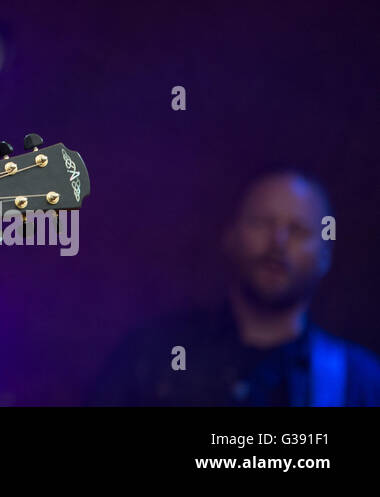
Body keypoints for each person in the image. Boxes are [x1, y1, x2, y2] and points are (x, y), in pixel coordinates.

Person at [86, 170, 380, 405]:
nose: (278, 241)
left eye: (298, 230)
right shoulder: (150, 357)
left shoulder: (359, 382)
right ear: (230, 236)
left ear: (325, 256)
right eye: (262, 222)